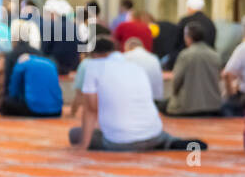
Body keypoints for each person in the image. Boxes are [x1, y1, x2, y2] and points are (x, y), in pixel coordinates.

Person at [71, 36, 206, 151]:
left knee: (74, 134)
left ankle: (138, 141)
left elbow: (91, 109)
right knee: (156, 134)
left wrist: (84, 145)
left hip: (120, 142)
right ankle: (167, 142)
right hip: (154, 135)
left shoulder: (93, 66)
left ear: (94, 54)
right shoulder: (135, 66)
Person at [163, 22, 223, 116]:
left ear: (188, 37)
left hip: (188, 106)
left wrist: (174, 96)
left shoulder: (186, 55)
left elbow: (176, 80)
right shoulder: (215, 55)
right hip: (213, 106)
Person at [0, 49, 63, 117]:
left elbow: (13, 90)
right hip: (57, 111)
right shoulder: (50, 63)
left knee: (6, 104)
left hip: (34, 110)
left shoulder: (21, 64)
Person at [123, 33, 164, 100]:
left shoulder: (125, 57)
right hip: (156, 99)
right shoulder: (154, 58)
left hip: (134, 100)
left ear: (127, 48)